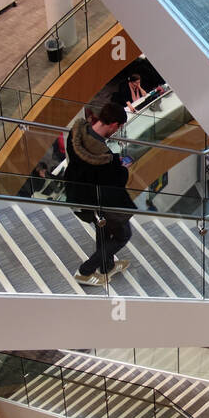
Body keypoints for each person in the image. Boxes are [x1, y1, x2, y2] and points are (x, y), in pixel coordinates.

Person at [63, 100, 136, 285]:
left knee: (102, 228)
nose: (117, 131)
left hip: (77, 192)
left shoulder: (76, 133)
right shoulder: (104, 159)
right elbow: (115, 180)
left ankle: (107, 266)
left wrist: (113, 161)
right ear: (113, 124)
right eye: (118, 127)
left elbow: (88, 165)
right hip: (96, 198)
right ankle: (85, 272)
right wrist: (122, 168)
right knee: (123, 234)